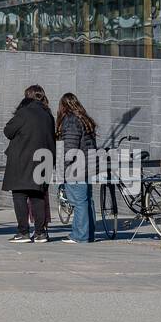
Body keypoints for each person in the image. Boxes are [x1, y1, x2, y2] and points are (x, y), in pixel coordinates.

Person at [2, 85, 55, 243]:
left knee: (19, 195)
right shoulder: (48, 115)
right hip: (43, 161)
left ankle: (23, 232)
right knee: (37, 196)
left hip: (22, 161)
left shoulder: (24, 112)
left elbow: (8, 131)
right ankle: (40, 233)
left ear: (27, 96)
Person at [56, 92, 98, 244]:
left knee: (79, 202)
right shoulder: (84, 119)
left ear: (63, 106)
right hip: (87, 166)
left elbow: (69, 149)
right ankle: (88, 233)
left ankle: (80, 235)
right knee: (87, 201)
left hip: (75, 168)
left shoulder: (71, 121)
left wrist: (63, 169)